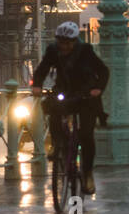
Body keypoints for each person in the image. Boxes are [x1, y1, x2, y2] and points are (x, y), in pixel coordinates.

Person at [31, 21, 109, 194]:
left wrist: (97, 89)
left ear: (75, 41)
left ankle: (88, 174)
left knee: (86, 135)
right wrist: (37, 85)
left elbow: (103, 71)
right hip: (65, 92)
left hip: (85, 95)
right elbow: (42, 69)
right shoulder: (53, 51)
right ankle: (58, 145)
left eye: (68, 42)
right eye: (61, 42)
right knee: (54, 113)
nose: (64, 46)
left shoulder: (86, 51)